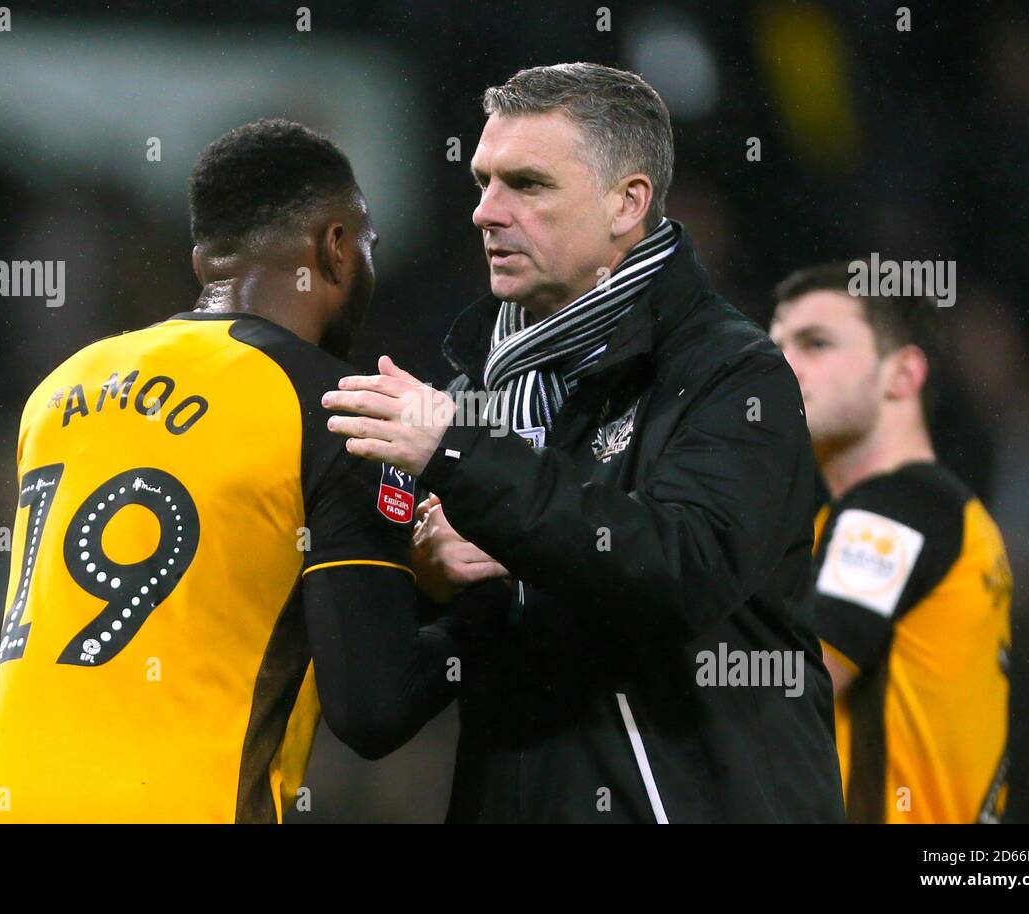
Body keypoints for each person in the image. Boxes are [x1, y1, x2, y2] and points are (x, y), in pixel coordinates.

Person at [323, 63, 844, 823]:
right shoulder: (474, 389)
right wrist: (427, 578)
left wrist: (463, 456)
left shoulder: (730, 373)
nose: (485, 212)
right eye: (482, 181)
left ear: (626, 203)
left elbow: (685, 568)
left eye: (527, 185)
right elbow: (389, 700)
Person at [0, 120, 453, 824]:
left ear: (201, 258)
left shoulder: (61, 387)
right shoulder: (340, 411)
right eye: (368, 243)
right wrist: (474, 598)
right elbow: (373, 710)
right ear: (336, 248)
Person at [769, 262, 1012, 823]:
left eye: (815, 343)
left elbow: (797, 682)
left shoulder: (895, 510)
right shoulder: (938, 511)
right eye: (774, 344)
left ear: (902, 374)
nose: (780, 365)